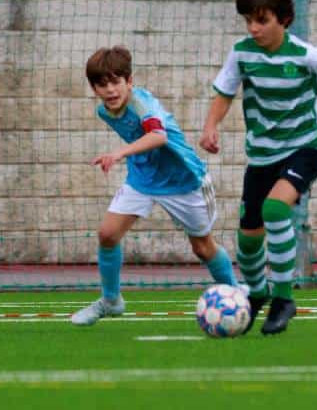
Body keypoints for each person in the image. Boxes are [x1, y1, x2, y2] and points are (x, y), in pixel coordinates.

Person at [200, 0, 317, 335]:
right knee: (248, 236)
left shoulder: (304, 55)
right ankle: (256, 294)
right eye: (248, 20)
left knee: (275, 208)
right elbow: (224, 93)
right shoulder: (241, 53)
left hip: (305, 146)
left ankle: (284, 298)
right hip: (263, 154)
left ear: (283, 19)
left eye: (262, 20)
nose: (253, 28)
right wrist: (211, 126)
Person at [70, 46, 236, 326]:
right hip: (143, 178)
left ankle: (234, 292)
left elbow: (158, 136)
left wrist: (119, 154)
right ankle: (111, 301)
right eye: (102, 84)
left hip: (183, 180)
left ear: (129, 82)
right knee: (107, 234)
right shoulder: (105, 111)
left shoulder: (143, 104)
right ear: (94, 88)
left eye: (116, 82)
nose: (110, 90)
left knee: (203, 248)